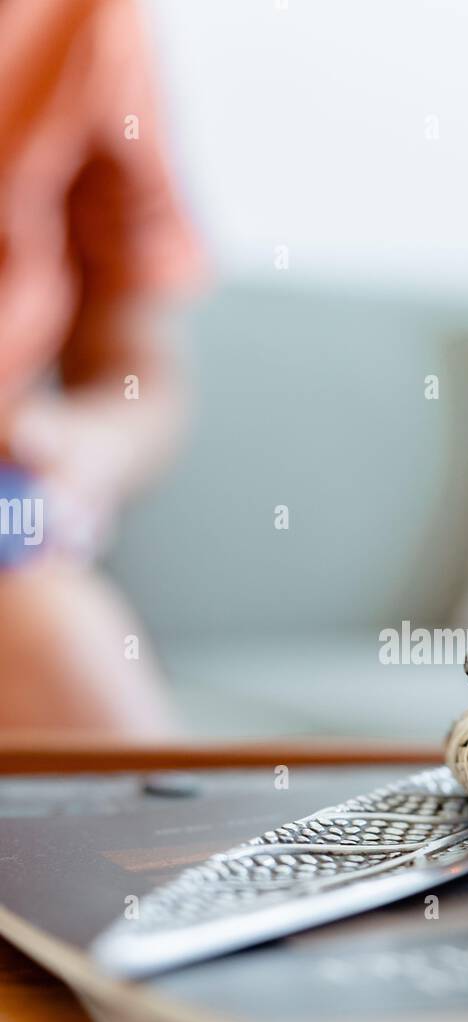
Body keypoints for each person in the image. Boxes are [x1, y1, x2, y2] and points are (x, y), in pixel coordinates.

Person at [0, 0, 203, 735]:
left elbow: (138, 374)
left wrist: (80, 449)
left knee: (68, 652)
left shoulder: (83, 20)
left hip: (8, 552)